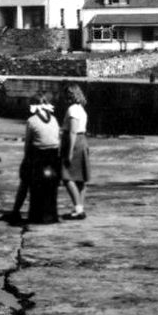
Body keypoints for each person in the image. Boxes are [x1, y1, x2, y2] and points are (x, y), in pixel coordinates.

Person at [5, 93, 61, 224]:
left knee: (24, 181)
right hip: (53, 156)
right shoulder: (53, 119)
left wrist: (25, 161)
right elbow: (57, 139)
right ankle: (49, 214)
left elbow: (28, 144)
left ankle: (15, 211)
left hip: (39, 156)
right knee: (50, 187)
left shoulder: (32, 120)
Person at [60, 84, 90, 221]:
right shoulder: (81, 109)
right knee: (81, 178)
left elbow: (73, 131)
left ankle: (78, 208)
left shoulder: (72, 109)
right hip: (82, 140)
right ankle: (80, 208)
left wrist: (69, 152)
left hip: (74, 142)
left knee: (66, 176)